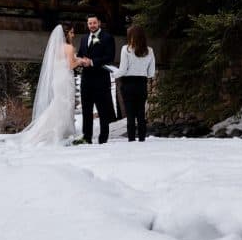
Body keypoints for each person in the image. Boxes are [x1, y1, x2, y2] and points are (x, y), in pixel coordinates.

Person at [19, 24, 83, 145]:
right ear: (66, 34)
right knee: (66, 104)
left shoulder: (55, 48)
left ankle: (54, 129)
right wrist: (79, 61)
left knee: (58, 103)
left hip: (57, 80)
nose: (73, 35)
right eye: (72, 33)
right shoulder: (69, 47)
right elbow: (70, 65)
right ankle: (62, 131)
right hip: (65, 79)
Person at [111, 24, 156, 142]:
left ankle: (131, 140)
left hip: (128, 84)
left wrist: (114, 73)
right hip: (141, 84)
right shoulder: (150, 51)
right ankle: (142, 139)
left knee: (130, 115)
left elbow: (122, 70)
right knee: (141, 113)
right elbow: (151, 73)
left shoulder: (126, 49)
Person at [75, 15, 116, 144]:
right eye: (89, 23)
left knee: (103, 110)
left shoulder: (108, 38)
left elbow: (109, 57)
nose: (92, 25)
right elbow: (81, 54)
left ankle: (103, 138)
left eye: (94, 23)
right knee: (86, 110)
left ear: (99, 23)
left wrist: (92, 62)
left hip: (101, 80)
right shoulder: (84, 38)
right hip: (86, 79)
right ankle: (87, 137)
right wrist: (80, 60)